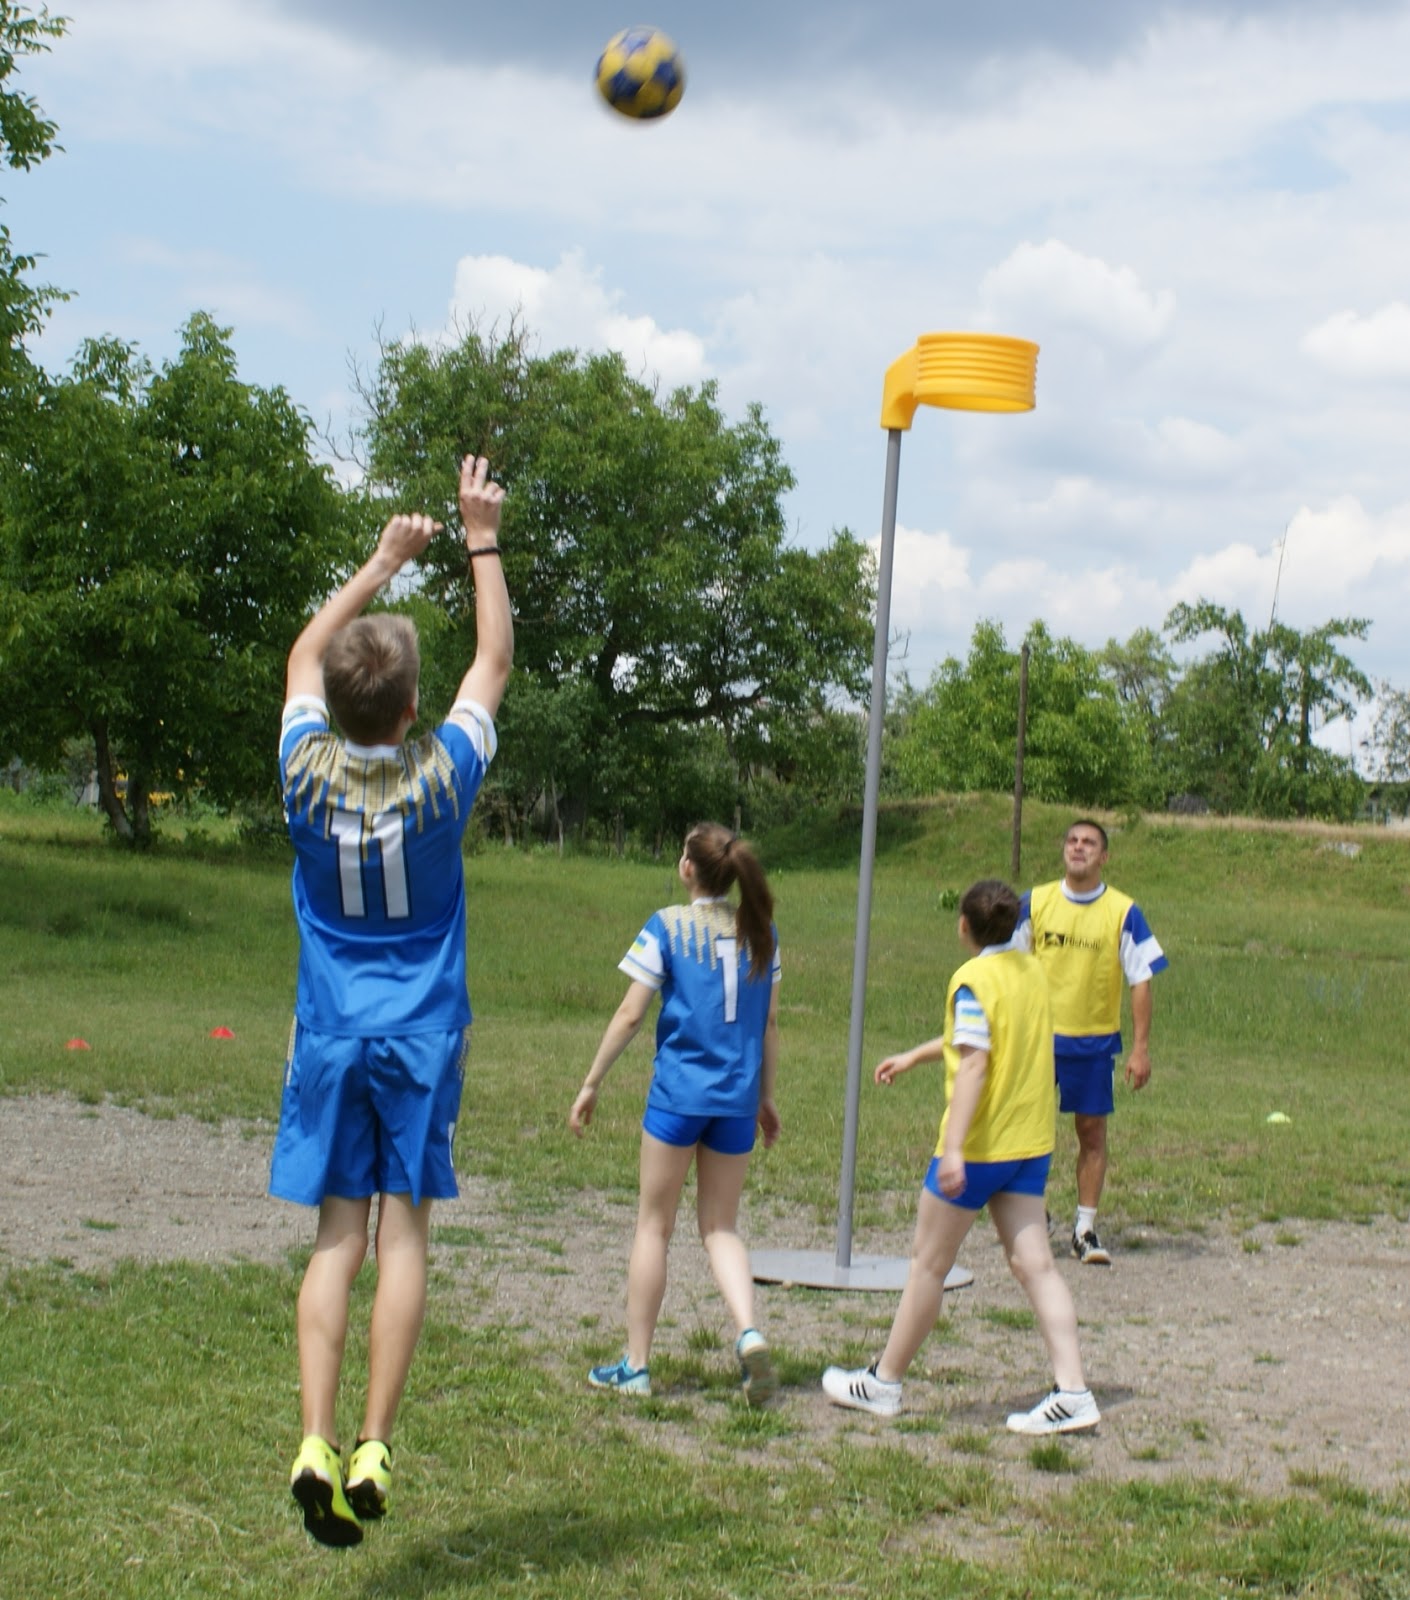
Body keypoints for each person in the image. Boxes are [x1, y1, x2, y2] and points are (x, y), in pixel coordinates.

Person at [268, 456, 513, 1547]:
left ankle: (313, 1439)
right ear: (416, 706)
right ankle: (374, 1443)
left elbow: (302, 655)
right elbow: (495, 658)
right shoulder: (440, 779)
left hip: (329, 1032)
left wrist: (378, 563)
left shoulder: (305, 773)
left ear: (339, 701)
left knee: (337, 1238)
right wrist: (480, 536)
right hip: (420, 1036)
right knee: (404, 1234)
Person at [823, 879, 1099, 1434]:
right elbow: (976, 1041)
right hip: (1031, 1144)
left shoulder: (971, 979)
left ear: (964, 927)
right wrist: (915, 1056)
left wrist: (953, 1149)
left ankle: (884, 1382)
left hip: (979, 1148)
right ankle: (1074, 1392)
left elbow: (974, 1063)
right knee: (1036, 1266)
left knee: (927, 1264)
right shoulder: (1033, 973)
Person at [569, 823, 781, 1406]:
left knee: (653, 1227)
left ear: (689, 867)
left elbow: (631, 1015)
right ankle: (749, 1331)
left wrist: (591, 1082)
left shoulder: (666, 925)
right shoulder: (761, 932)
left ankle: (636, 1365)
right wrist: (765, 1098)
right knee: (720, 1228)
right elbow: (767, 1024)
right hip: (736, 1101)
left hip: (678, 1098)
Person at [1016, 819, 1168, 1266]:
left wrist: (1140, 1049)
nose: (1078, 848)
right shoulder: (1036, 902)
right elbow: (1006, 967)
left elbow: (1141, 978)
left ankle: (1084, 1229)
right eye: (1072, 840)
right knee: (1026, 1132)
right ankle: (1031, 1215)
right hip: (1037, 1040)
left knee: (1092, 1134)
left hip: (1094, 1043)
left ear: (1104, 857)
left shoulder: (1122, 911)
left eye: (1089, 844)